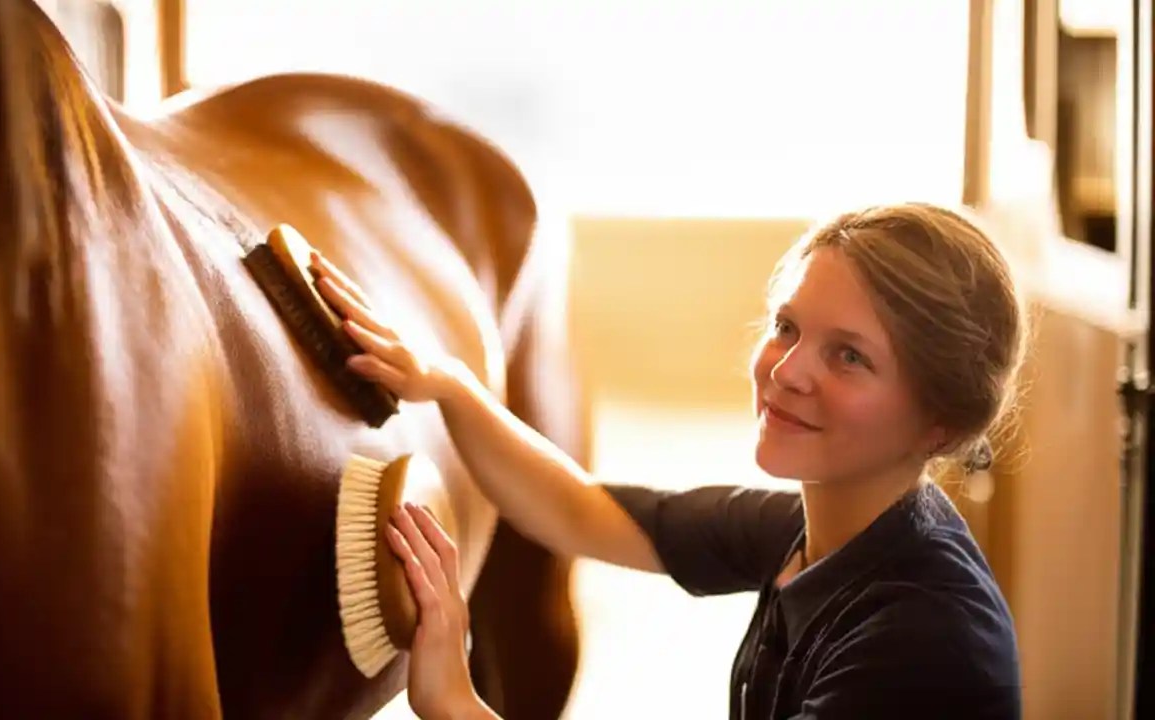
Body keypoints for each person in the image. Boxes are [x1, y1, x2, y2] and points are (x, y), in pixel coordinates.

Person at [309, 201, 1026, 720]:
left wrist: (455, 706)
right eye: (786, 327)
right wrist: (448, 387)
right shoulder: (819, 529)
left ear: (939, 425)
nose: (787, 371)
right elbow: (579, 510)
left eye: (849, 355)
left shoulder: (922, 643)